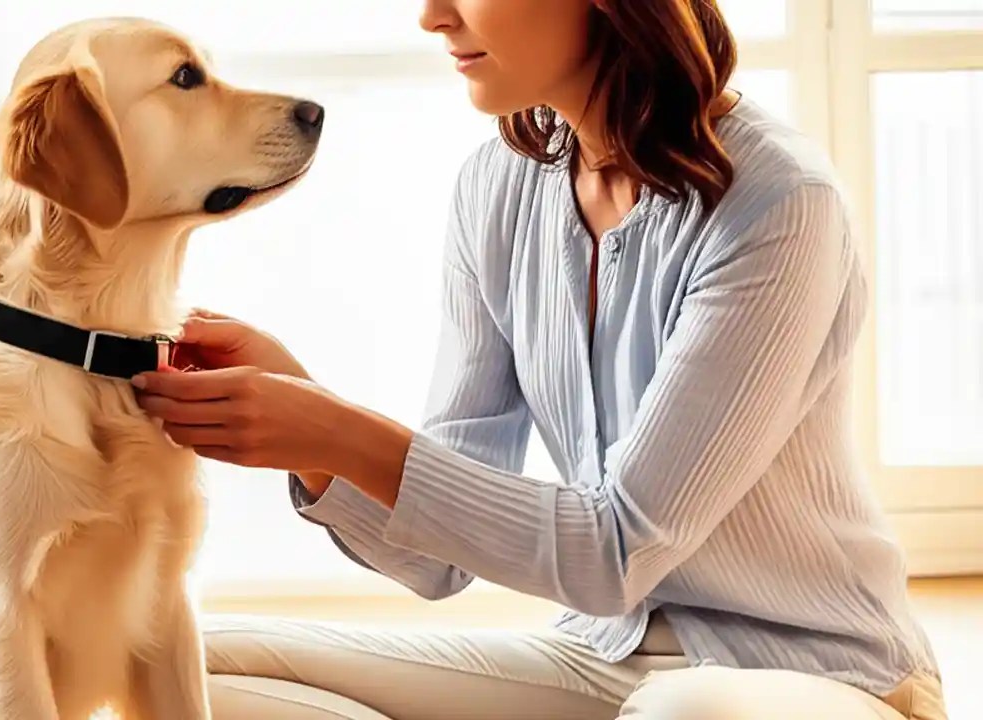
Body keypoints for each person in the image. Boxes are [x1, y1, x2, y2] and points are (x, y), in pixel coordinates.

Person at [130, 0, 947, 718]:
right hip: (599, 658)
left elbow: (617, 553)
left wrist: (337, 430)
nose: (433, 16)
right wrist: (304, 424)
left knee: (688, 712)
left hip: (817, 674)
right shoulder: (500, 185)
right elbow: (435, 559)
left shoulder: (777, 203)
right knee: (186, 660)